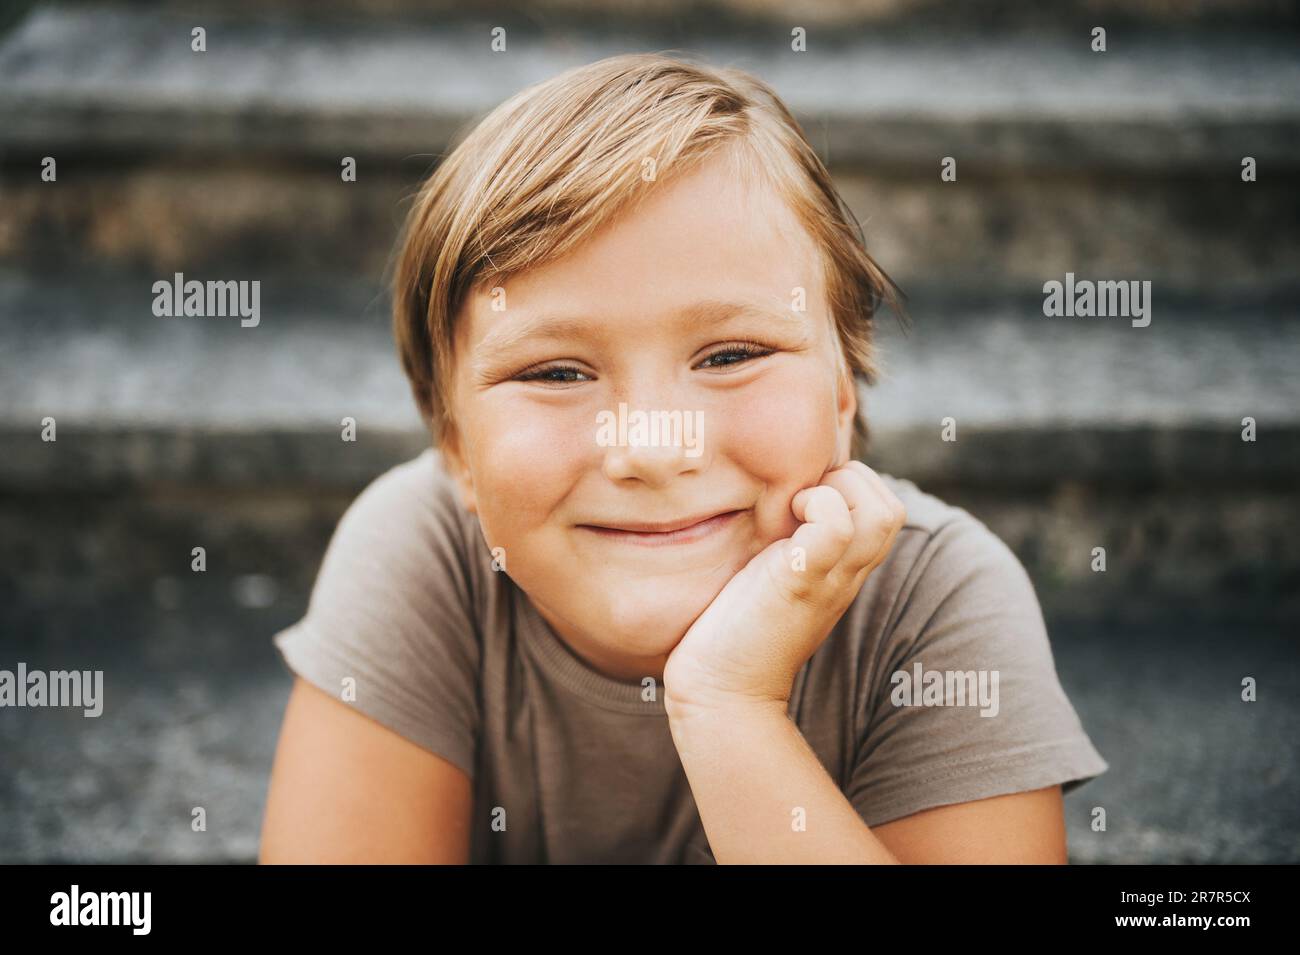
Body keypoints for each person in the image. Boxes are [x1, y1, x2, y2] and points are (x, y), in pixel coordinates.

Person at [259, 52, 1107, 864]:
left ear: (843, 390)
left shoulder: (935, 599)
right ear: (457, 452)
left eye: (731, 354)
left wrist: (728, 707)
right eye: (556, 371)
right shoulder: (421, 556)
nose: (654, 449)